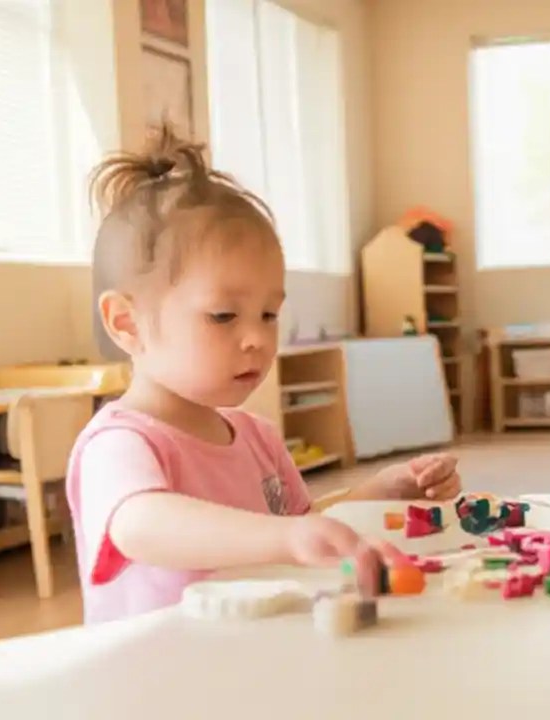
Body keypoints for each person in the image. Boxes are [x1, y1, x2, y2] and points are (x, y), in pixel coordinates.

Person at [67, 128, 461, 623]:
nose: (256, 338)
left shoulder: (258, 438)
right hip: (160, 665)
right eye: (223, 316)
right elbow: (141, 525)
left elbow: (302, 528)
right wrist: (287, 537)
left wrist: (380, 492)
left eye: (269, 315)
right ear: (127, 323)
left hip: (252, 653)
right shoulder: (119, 443)